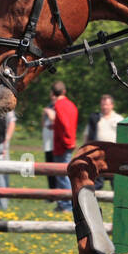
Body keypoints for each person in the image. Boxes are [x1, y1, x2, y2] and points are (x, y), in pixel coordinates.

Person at [49, 80, 78, 212]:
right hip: (69, 143)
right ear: (64, 91)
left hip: (63, 145)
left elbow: (64, 124)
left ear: (52, 93)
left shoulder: (59, 105)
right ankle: (64, 204)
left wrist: (67, 141)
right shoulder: (71, 105)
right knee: (64, 175)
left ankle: (66, 205)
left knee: (62, 176)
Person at [86, 94, 123, 191]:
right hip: (98, 154)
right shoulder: (96, 118)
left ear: (112, 105)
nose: (104, 107)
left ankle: (118, 202)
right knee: (97, 182)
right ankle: (93, 202)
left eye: (107, 105)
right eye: (103, 105)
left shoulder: (119, 119)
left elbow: (123, 137)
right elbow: (87, 135)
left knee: (115, 182)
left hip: (114, 155)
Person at [41, 93, 57, 190]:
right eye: (51, 96)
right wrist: (44, 115)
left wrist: (50, 114)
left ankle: (58, 193)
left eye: (55, 96)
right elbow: (43, 124)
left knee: (57, 170)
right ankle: (51, 194)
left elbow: (55, 121)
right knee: (49, 170)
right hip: (48, 144)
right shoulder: (49, 107)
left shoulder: (59, 108)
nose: (53, 98)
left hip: (55, 145)